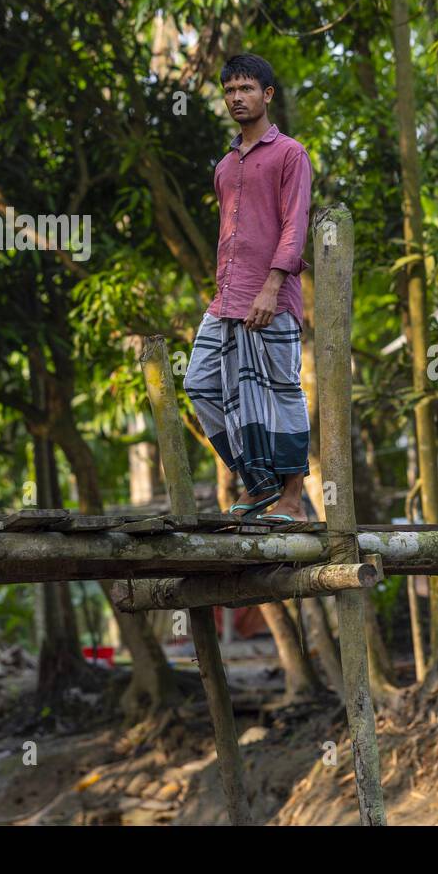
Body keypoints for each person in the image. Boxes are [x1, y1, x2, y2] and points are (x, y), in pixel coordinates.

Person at [184, 53, 312, 522]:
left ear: (268, 95)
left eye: (247, 89)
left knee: (281, 390)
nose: (238, 97)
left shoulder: (290, 153)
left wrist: (271, 286)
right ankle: (258, 484)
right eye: (231, 90)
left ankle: (293, 501)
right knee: (200, 384)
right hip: (226, 299)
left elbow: (295, 226)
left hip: (272, 297)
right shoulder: (223, 166)